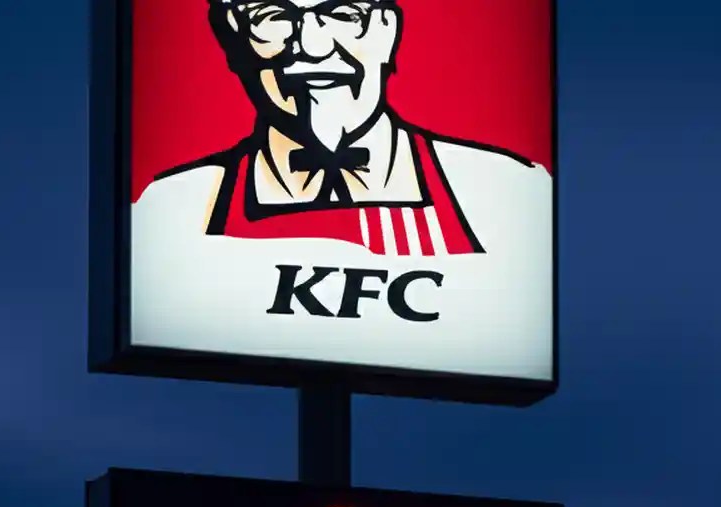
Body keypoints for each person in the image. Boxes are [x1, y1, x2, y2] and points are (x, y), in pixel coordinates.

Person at [130, 0, 553, 382]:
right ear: (234, 40)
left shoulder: (505, 194)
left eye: (343, 14)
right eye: (274, 17)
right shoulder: (174, 210)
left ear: (387, 30)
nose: (312, 46)